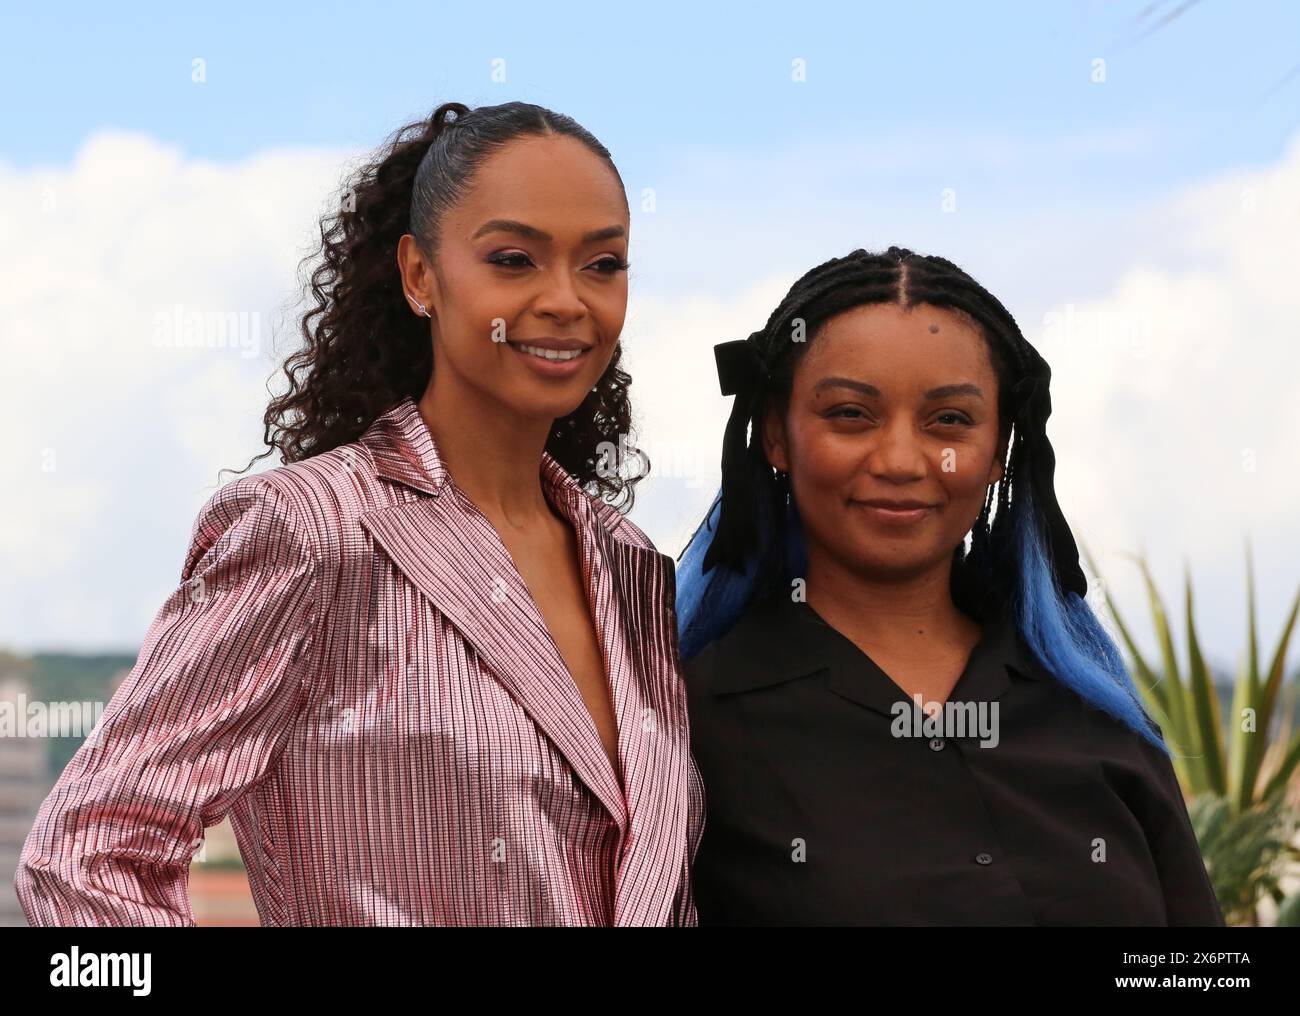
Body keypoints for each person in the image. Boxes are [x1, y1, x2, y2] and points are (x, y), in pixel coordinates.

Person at [16, 100, 703, 927]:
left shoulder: (631, 568)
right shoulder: (309, 531)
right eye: (515, 259)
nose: (566, 300)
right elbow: (86, 854)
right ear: (420, 275)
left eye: (603, 264)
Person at [673, 246, 1224, 926]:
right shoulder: (685, 727)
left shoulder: (1098, 716)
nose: (901, 460)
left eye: (950, 421)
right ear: (776, 437)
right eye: (850, 413)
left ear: (999, 452)